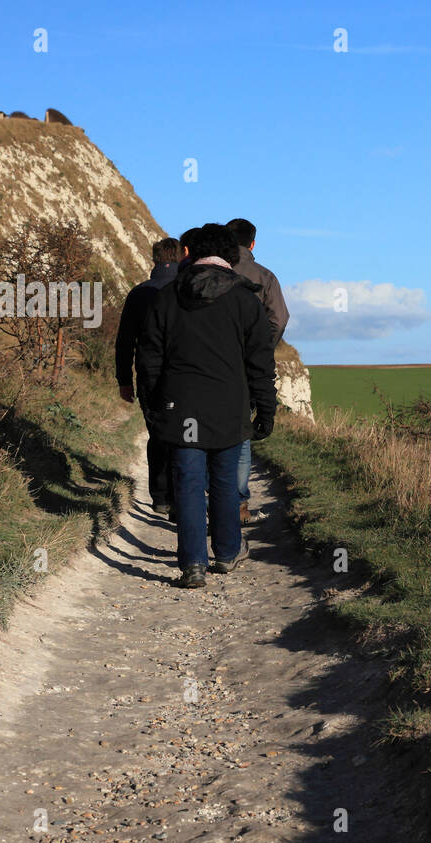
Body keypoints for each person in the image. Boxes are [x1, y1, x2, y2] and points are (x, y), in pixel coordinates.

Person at [138, 223, 277, 588]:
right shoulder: (246, 301)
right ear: (230, 255)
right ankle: (228, 552)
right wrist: (266, 409)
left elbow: (149, 357)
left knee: (188, 482)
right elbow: (261, 364)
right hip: (230, 406)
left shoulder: (166, 298)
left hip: (180, 406)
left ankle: (193, 564)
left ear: (191, 254)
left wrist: (152, 403)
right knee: (225, 482)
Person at [226, 218, 290, 524]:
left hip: (207, 363)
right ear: (253, 244)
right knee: (240, 435)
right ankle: (238, 503)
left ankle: (209, 499)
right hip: (247, 367)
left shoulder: (210, 273)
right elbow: (279, 317)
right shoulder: (265, 276)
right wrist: (262, 347)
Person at [114, 237, 183, 516]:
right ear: (181, 257)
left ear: (153, 260)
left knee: (157, 432)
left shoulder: (138, 293)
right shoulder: (186, 290)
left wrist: (123, 380)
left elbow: (124, 341)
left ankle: (161, 496)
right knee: (184, 434)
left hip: (149, 374)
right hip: (184, 374)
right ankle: (183, 494)